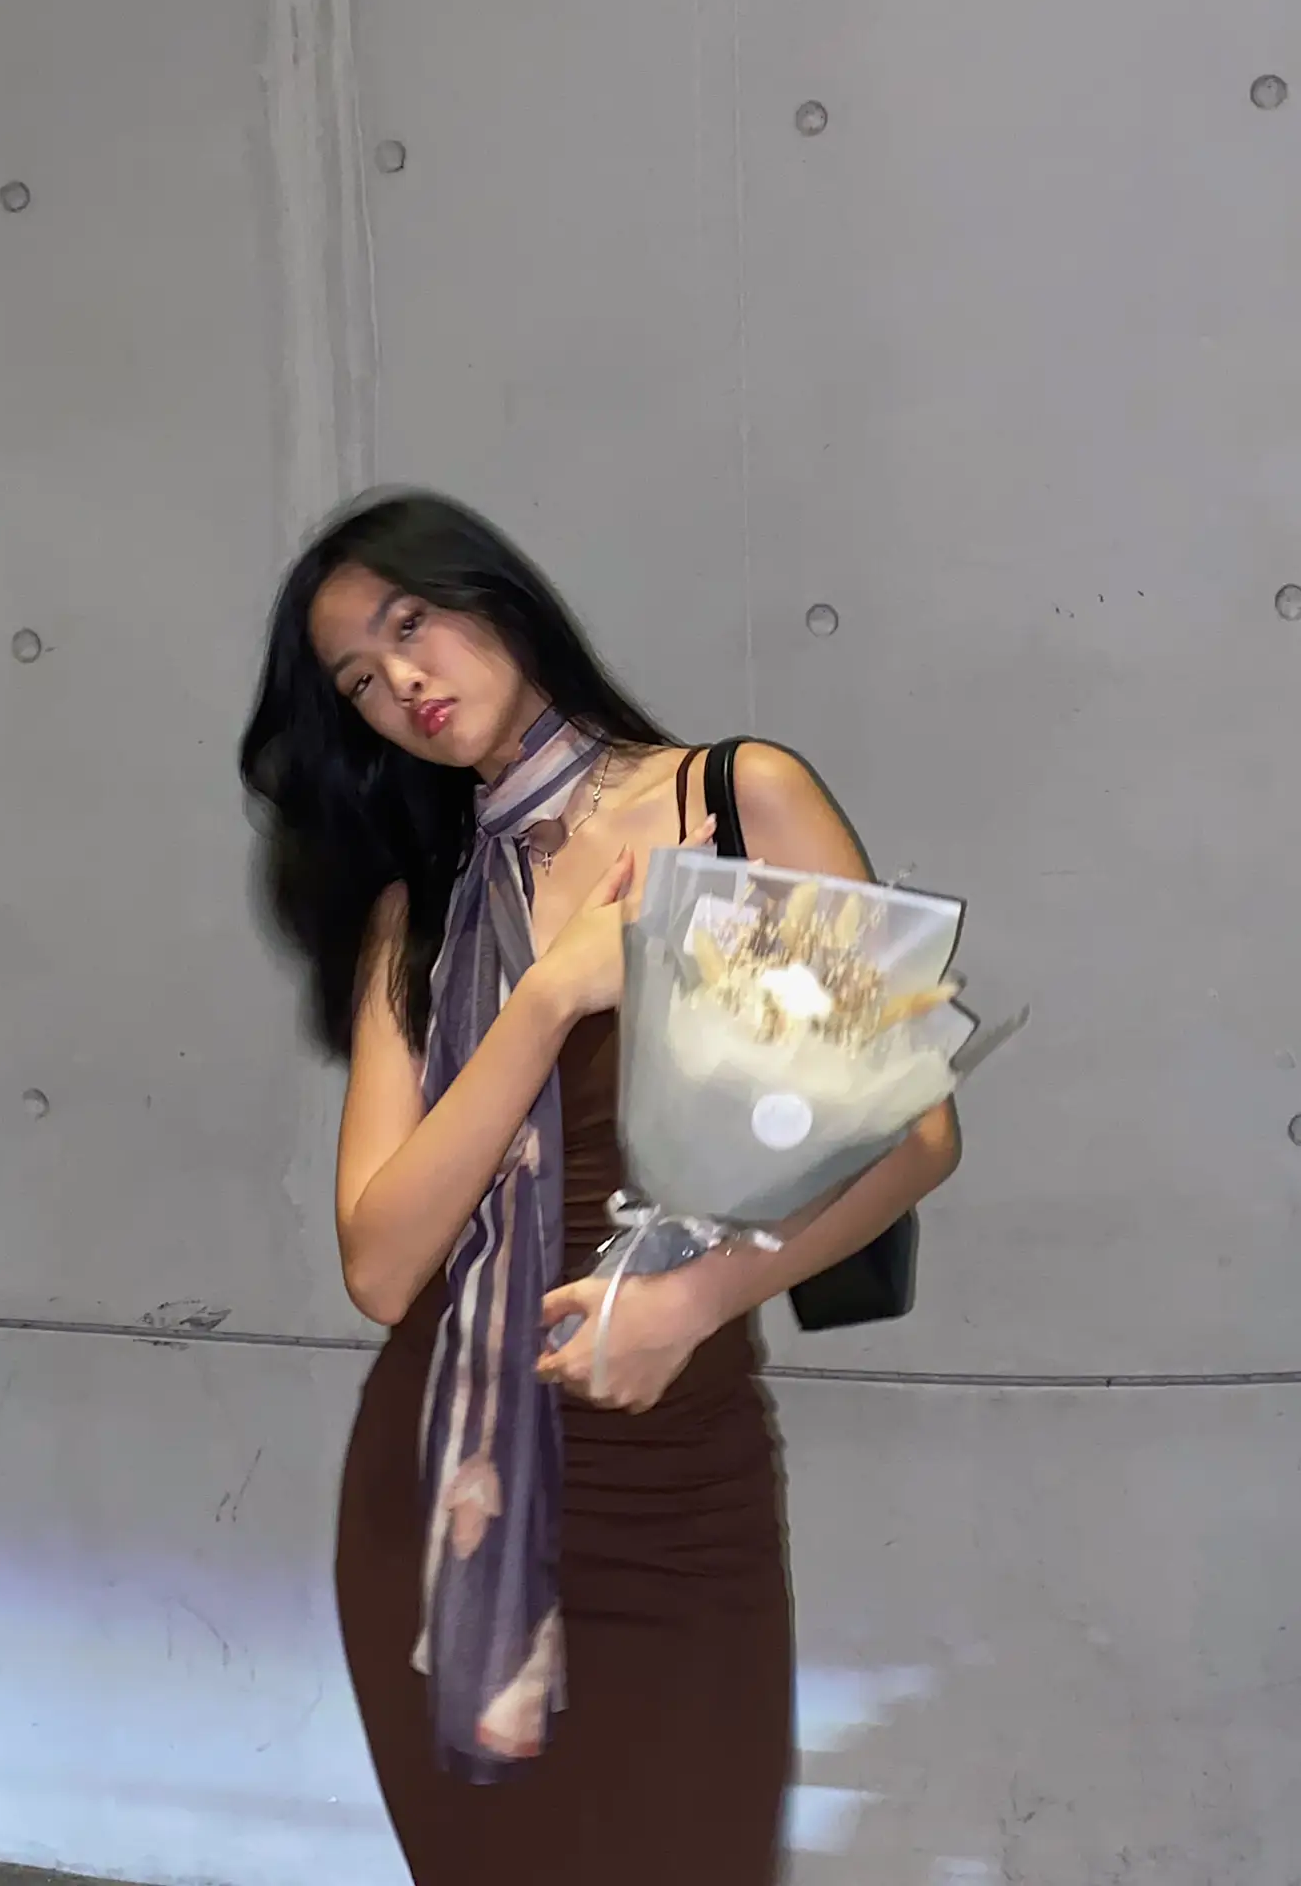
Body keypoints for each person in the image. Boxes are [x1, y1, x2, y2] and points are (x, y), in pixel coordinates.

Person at [239, 490, 961, 1885]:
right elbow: (382, 1266)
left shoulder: (732, 806)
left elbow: (910, 1139)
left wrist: (690, 1305)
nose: (400, 681)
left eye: (410, 622)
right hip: (441, 1497)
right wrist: (551, 996)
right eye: (358, 680)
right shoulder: (419, 913)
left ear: (495, 598)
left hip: (673, 1474)